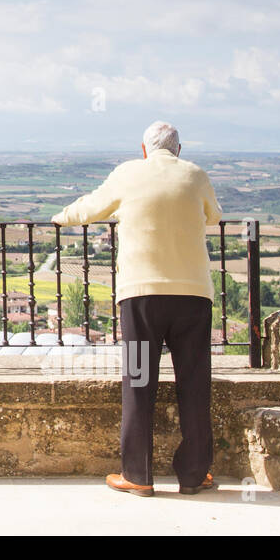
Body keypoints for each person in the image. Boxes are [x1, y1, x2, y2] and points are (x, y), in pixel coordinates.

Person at [52, 121, 222, 497]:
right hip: (192, 295)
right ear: (178, 150)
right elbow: (213, 217)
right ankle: (194, 475)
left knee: (139, 380)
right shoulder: (196, 175)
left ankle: (138, 475)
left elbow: (91, 207)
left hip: (142, 296)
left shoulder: (128, 173)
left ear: (144, 149)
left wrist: (60, 217)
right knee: (194, 383)